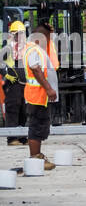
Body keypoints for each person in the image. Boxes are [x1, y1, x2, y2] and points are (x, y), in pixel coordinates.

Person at [22, 22, 57, 172]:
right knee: (36, 126)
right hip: (36, 96)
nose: (48, 42)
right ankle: (35, 156)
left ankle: (37, 156)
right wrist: (49, 89)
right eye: (47, 39)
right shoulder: (34, 50)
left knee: (40, 125)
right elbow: (36, 70)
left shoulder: (34, 48)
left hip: (39, 97)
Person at [4, 21, 27, 146]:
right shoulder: (8, 48)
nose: (20, 36)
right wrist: (6, 75)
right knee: (13, 109)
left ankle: (22, 137)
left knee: (24, 110)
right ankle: (12, 138)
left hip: (25, 84)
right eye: (18, 34)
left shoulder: (25, 47)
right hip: (13, 84)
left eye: (22, 33)